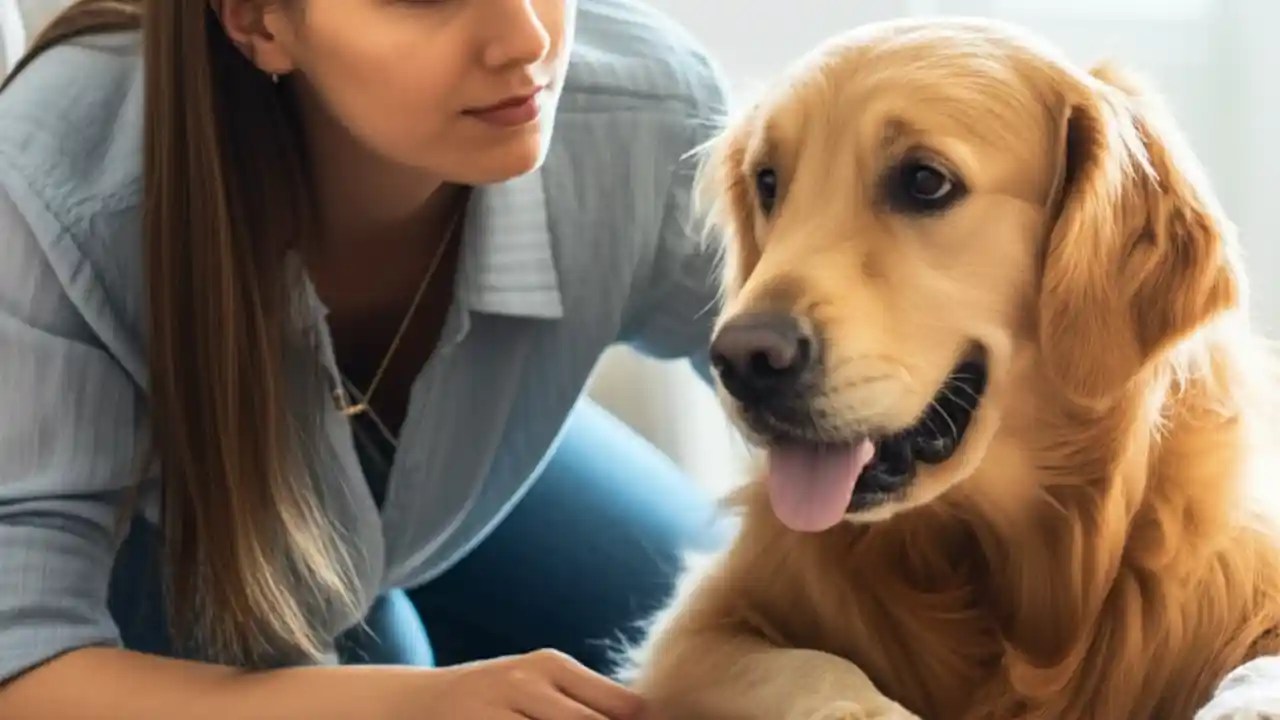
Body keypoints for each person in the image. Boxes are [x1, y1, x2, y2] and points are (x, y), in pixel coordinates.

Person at [0, 0, 732, 717]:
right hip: (172, 530)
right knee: (392, 662)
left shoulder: (652, 115)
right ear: (258, 21)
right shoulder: (52, 182)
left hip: (461, 487)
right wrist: (410, 704)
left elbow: (825, 397)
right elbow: (20, 664)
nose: (525, 38)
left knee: (711, 632)